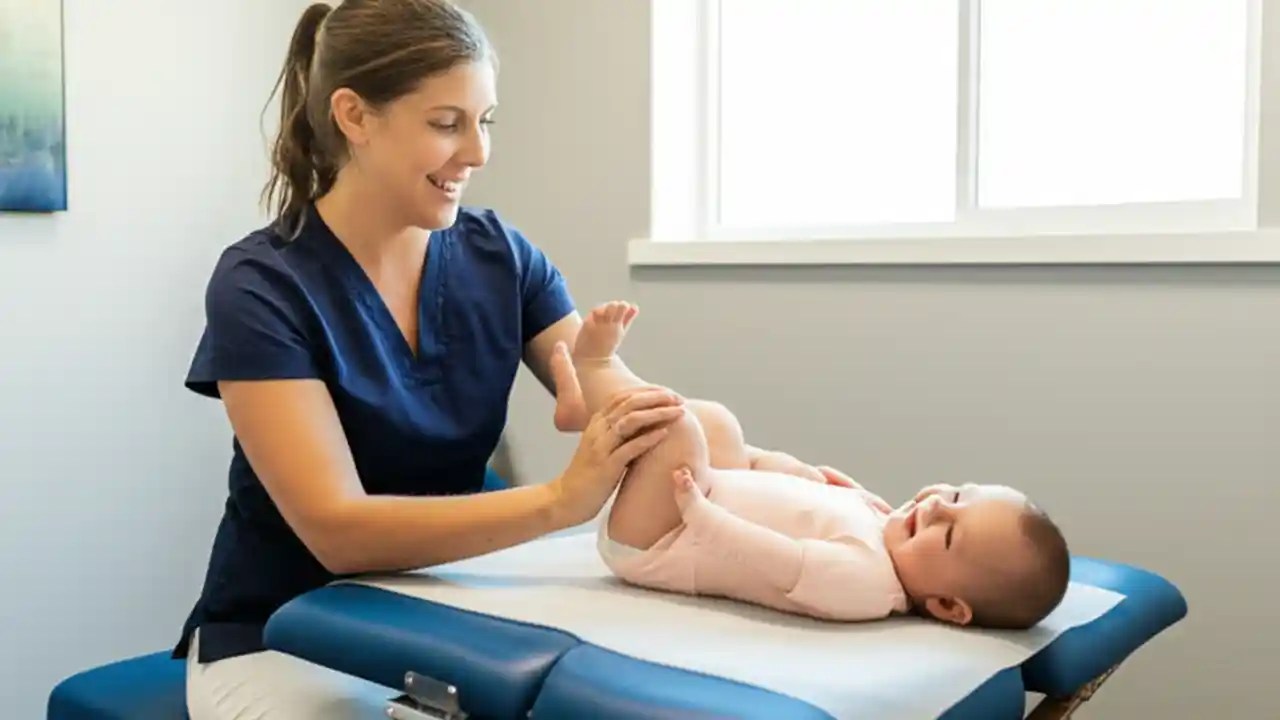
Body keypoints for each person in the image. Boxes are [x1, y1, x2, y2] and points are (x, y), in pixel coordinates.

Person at [173, 2, 699, 718]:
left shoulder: (500, 257)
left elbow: (629, 410)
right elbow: (338, 532)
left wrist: (768, 473)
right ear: (355, 116)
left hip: (443, 615)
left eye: (485, 122)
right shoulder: (261, 287)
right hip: (277, 636)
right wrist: (560, 501)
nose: (477, 153)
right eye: (447, 123)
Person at [567, 301, 1072, 629]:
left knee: (678, 428)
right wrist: (790, 470)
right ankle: (592, 400)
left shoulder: (868, 585)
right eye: (957, 496)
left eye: (947, 534)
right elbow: (808, 501)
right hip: (702, 494)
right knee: (720, 425)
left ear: (945, 605)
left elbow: (775, 556)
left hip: (661, 538)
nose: (937, 506)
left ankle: (592, 371)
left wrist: (702, 517)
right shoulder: (886, 527)